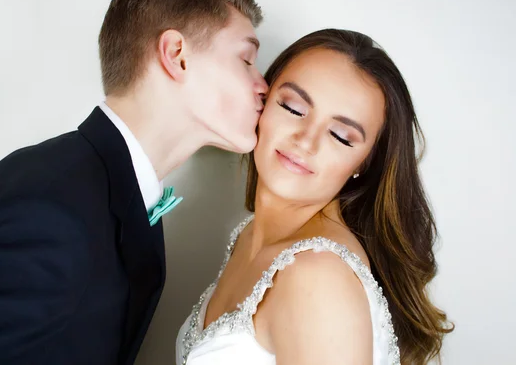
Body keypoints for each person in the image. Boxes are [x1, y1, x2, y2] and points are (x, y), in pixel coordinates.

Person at [0, 0, 267, 365]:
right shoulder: (50, 209)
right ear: (177, 56)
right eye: (247, 59)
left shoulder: (103, 194)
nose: (263, 84)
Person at [177, 29, 454, 365]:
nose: (306, 141)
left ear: (363, 163)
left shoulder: (317, 276)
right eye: (293, 107)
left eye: (340, 136)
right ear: (262, 101)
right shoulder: (249, 235)